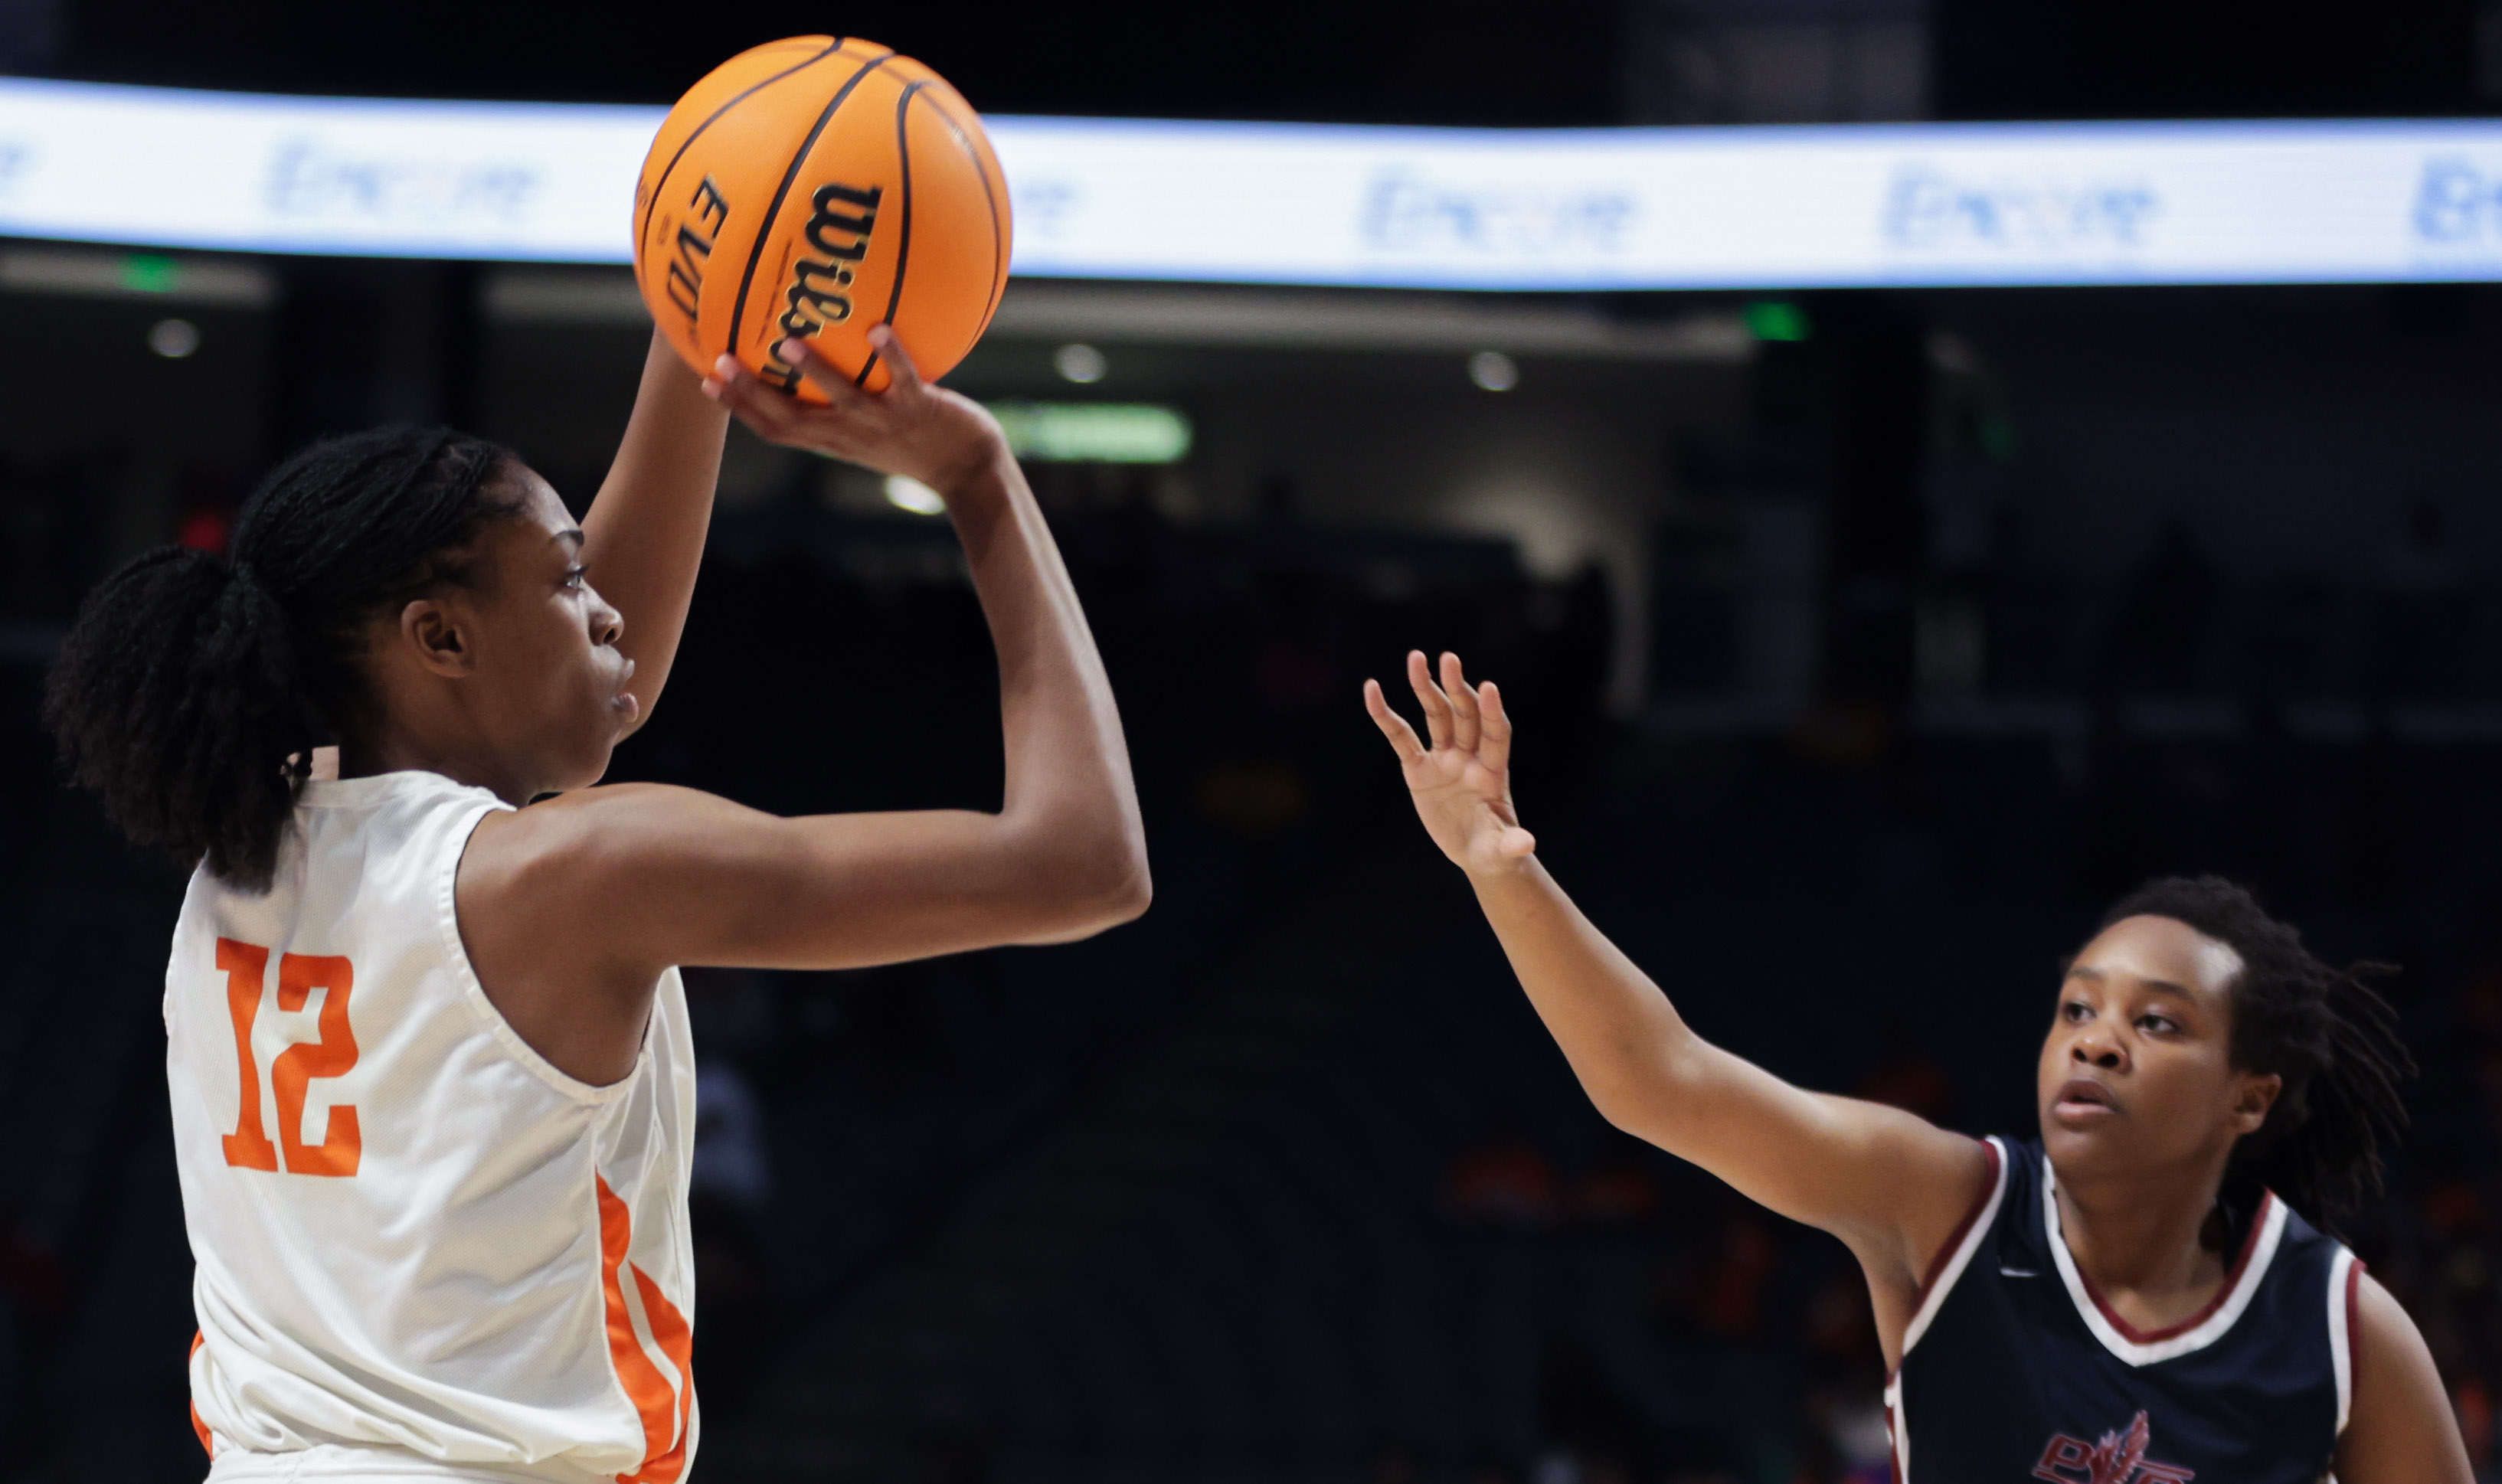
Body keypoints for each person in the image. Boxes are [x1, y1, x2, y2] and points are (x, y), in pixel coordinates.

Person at [44, 326, 1149, 1483]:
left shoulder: (241, 849)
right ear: (440, 635)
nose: (609, 612)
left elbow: (588, 698)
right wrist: (979, 482)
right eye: (572, 581)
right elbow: (1085, 862)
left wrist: (701, 328)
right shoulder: (566, 878)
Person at [1363, 650, 2468, 1483]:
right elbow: (1663, 1082)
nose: (2095, 1038)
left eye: (2158, 1022)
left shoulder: (2344, 1329)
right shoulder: (1947, 1205)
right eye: (2079, 1005)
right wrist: (1503, 873)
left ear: (2250, 1095)